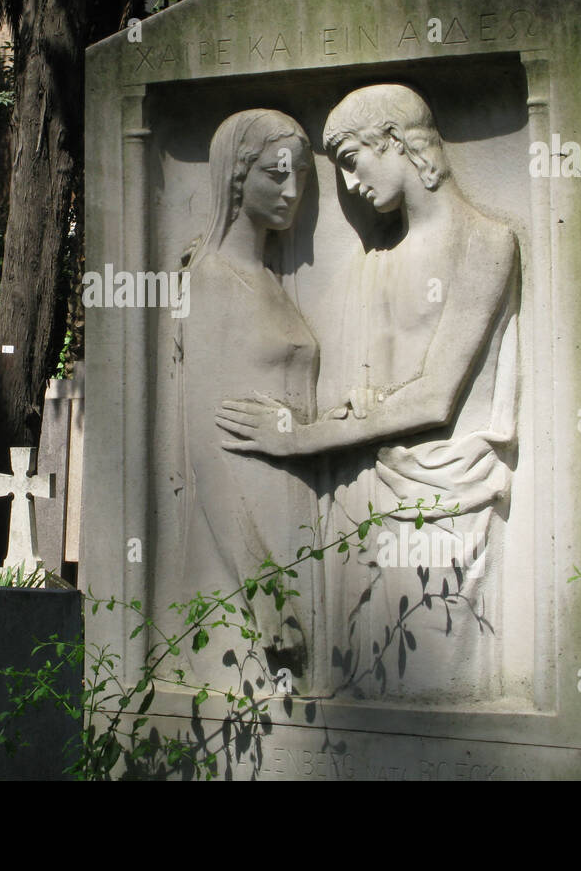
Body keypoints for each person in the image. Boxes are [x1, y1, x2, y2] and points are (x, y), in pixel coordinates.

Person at [215, 84, 520, 699]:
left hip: (444, 500)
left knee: (431, 688)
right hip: (365, 497)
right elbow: (375, 392)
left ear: (397, 141)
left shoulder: (486, 242)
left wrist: (302, 437)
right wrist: (354, 408)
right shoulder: (380, 260)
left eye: (352, 160)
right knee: (364, 689)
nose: (349, 185)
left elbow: (435, 400)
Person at [172, 108, 328, 694]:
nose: (291, 191)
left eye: (302, 178)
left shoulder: (265, 277)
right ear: (237, 178)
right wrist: (262, 589)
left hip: (289, 514)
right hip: (239, 540)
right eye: (275, 174)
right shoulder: (211, 279)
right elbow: (202, 451)